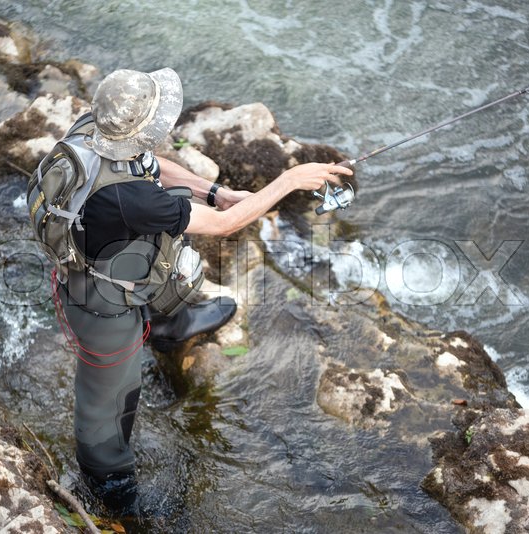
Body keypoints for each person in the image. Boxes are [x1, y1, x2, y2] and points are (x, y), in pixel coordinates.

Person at [51, 67, 352, 515]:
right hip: (100, 308)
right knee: (109, 404)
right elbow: (226, 226)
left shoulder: (94, 127)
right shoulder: (132, 200)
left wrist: (214, 190)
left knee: (165, 260)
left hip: (113, 258)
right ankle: (110, 488)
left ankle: (169, 324)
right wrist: (288, 181)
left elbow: (152, 165)